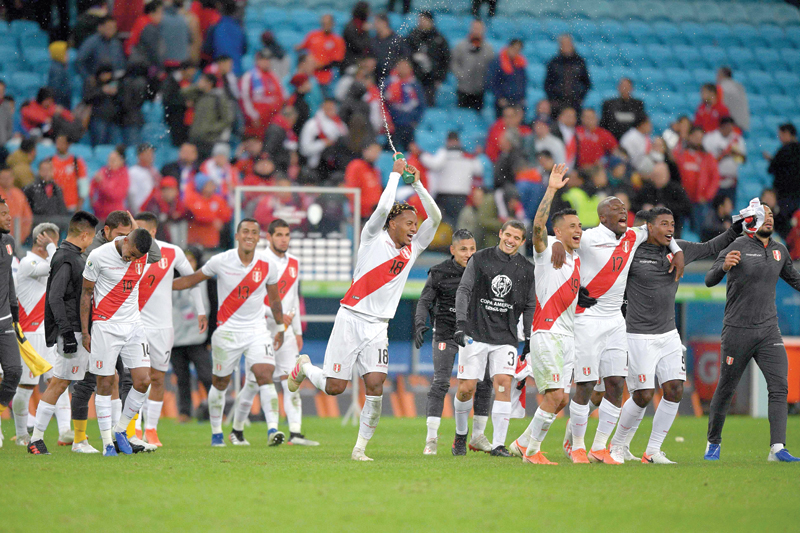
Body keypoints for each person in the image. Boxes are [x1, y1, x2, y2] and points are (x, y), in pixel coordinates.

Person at [287, 156, 441, 461]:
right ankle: (304, 367)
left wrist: (419, 184)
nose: (414, 228)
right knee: (334, 387)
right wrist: (395, 177)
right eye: (409, 223)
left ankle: (360, 448)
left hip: (378, 326)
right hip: (350, 318)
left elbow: (434, 218)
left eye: (415, 224)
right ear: (392, 224)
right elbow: (382, 208)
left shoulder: (412, 249)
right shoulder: (372, 238)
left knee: (375, 384)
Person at [608, 207, 740, 464]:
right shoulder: (631, 251)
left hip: (669, 333)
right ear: (648, 227)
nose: (670, 228)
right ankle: (617, 446)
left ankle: (652, 451)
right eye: (664, 224)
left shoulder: (678, 248)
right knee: (643, 395)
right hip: (638, 335)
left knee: (675, 389)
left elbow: (712, 246)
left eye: (672, 223)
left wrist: (736, 228)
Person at [562, 195, 684, 464]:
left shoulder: (632, 235)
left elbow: (662, 231)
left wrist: (678, 251)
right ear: (602, 217)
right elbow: (559, 248)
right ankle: (577, 446)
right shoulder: (589, 237)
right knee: (584, 385)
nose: (622, 212)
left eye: (624, 209)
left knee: (616, 385)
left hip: (616, 321)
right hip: (587, 319)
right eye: (615, 210)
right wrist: (573, 288)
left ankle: (599, 446)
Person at [172, 218, 286, 446]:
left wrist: (280, 327)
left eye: (254, 232)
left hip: (256, 331)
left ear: (258, 237)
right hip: (227, 332)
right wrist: (156, 284)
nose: (249, 236)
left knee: (265, 374)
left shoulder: (267, 265)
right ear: (237, 236)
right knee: (220, 383)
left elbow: (274, 300)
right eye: (245, 231)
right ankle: (217, 433)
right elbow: (191, 280)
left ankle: (273, 430)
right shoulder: (221, 261)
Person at [704, 203, 800, 462]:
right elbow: (709, 278)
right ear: (752, 220)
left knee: (780, 386)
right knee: (726, 388)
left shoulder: (780, 250)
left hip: (769, 331)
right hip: (737, 331)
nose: (768, 219)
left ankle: (777, 448)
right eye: (763, 215)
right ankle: (713, 442)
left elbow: (794, 279)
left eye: (771, 215)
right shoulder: (736, 246)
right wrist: (724, 267)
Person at [509, 167, 591, 464]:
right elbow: (537, 227)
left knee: (561, 399)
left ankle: (521, 443)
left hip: (567, 337)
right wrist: (552, 189)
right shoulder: (547, 254)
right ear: (558, 232)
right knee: (555, 397)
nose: (578, 230)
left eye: (580, 225)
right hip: (547, 333)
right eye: (571, 226)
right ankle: (532, 453)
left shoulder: (576, 259)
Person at [450, 217, 535, 458]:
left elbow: (530, 305)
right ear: (500, 233)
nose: (511, 240)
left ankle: (498, 444)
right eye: (508, 235)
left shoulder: (527, 269)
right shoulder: (480, 258)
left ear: (521, 242)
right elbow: (464, 290)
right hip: (474, 333)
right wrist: (460, 324)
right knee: (466, 388)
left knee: (503, 384)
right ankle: (461, 434)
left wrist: (528, 337)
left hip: (505, 337)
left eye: (516, 238)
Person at [230, 219, 318, 446]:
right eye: (279, 234)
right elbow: (250, 299)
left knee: (291, 381)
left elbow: (294, 300)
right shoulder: (258, 261)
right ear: (268, 237)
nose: (284, 239)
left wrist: (297, 331)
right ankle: (237, 430)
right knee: (252, 383)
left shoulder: (295, 263)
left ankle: (296, 433)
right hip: (260, 330)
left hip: (286, 331)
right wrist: (275, 315)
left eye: (287, 235)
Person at [25, 212, 99, 455]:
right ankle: (36, 439)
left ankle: (77, 440)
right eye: (92, 236)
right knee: (59, 383)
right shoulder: (66, 258)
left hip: (77, 330)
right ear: (85, 235)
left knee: (65, 382)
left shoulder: (72, 256)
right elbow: (55, 297)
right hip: (72, 331)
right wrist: (67, 333)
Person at [415, 229, 492, 455]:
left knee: (485, 382)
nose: (469, 254)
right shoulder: (439, 272)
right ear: (452, 250)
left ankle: (475, 436)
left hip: (474, 336)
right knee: (440, 383)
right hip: (446, 334)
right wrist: (420, 322)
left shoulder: (483, 272)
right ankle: (431, 440)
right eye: (463, 249)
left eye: (472, 249)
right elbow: (423, 301)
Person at [133, 212, 206, 446]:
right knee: (138, 378)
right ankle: (134, 428)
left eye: (141, 230)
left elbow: (192, 278)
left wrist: (201, 310)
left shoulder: (172, 252)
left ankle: (151, 430)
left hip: (163, 327)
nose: (136, 235)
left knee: (157, 378)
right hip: (136, 325)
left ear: (153, 231)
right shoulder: (127, 252)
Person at [80, 228, 154, 456]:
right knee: (105, 382)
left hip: (134, 325)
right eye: (129, 253)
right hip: (105, 326)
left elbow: (151, 244)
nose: (130, 259)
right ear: (125, 239)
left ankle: (120, 430)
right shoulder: (98, 256)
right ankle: (107, 443)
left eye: (136, 257)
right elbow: (85, 294)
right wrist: (85, 332)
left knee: (143, 381)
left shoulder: (144, 254)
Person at [11, 224, 72, 447]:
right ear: (41, 241)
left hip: (47, 333)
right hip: (29, 334)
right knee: (26, 387)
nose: (55, 247)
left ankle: (65, 430)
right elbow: (58, 265)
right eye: (51, 242)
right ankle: (20, 434)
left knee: (58, 381)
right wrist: (52, 247)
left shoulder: (47, 263)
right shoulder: (28, 263)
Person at [170, 245, 212, 423]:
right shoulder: (169, 281)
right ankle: (184, 413)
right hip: (176, 338)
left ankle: (214, 410)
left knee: (206, 376)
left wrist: (210, 337)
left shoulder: (208, 282)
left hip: (199, 338)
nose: (188, 264)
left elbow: (214, 309)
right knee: (182, 379)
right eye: (184, 260)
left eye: (191, 260)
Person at [420, 131, 483, 225]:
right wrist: (476, 156)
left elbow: (434, 164)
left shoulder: (443, 154)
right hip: (458, 196)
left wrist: (421, 154)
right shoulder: (467, 156)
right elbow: (479, 170)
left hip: (447, 196)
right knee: (456, 224)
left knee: (447, 225)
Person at [0, 197, 21, 449]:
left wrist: (15, 314)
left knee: (14, 371)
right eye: (3, 213)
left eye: (8, 212)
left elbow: (9, 280)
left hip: (5, 319)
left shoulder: (8, 242)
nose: (8, 217)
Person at [674, 126, 721, 230]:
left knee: (698, 231)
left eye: (700, 138)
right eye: (695, 137)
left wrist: (707, 195)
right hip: (682, 199)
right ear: (689, 137)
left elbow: (715, 178)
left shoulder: (707, 157)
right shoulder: (680, 154)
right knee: (678, 230)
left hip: (699, 201)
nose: (698, 140)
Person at [184, 73, 235, 159]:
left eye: (202, 80)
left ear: (209, 83)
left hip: (209, 140)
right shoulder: (199, 94)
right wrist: (197, 87)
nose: (199, 82)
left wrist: (211, 129)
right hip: (195, 138)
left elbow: (228, 119)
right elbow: (184, 93)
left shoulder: (219, 97)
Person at [634, 162, 692, 238]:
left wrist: (666, 208)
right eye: (655, 175)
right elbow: (633, 204)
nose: (657, 178)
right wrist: (643, 207)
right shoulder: (647, 189)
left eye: (660, 175)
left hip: (672, 228)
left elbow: (687, 208)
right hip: (649, 229)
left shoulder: (676, 189)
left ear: (667, 175)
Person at [406, 11, 450, 107]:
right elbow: (405, 55)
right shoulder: (412, 36)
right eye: (420, 20)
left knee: (428, 104)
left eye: (424, 19)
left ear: (430, 21)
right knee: (412, 104)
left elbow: (446, 59)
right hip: (414, 77)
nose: (421, 22)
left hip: (431, 79)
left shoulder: (439, 38)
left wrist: (440, 77)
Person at [765, 124, 800, 238]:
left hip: (784, 195)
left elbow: (772, 169)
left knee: (783, 224)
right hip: (797, 195)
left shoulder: (784, 150)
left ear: (787, 134)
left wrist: (771, 160)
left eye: (780, 134)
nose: (779, 137)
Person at [296, 14, 345, 96]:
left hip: (325, 78)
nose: (325, 26)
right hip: (309, 77)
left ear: (333, 24)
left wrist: (320, 65)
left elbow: (337, 61)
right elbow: (301, 48)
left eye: (328, 23)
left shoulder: (337, 40)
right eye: (323, 23)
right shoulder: (313, 35)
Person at [240, 50, 285, 139]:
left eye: (268, 60)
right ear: (257, 60)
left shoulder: (274, 76)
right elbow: (244, 98)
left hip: (271, 120)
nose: (267, 62)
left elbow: (280, 96)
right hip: (256, 123)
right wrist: (253, 116)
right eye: (264, 59)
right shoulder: (249, 76)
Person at [451, 19, 494, 112]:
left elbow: (492, 67)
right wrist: (460, 74)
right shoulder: (460, 46)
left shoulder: (488, 48)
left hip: (480, 90)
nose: (476, 30)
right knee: (462, 115)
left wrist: (486, 80)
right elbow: (453, 62)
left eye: (479, 28)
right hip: (463, 88)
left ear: (484, 30)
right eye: (475, 28)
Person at [544, 35, 591, 117]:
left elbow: (586, 83)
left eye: (568, 44)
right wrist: (553, 100)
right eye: (563, 44)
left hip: (575, 103)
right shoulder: (554, 63)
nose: (566, 47)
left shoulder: (580, 62)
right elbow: (548, 84)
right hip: (557, 104)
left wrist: (580, 98)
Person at [385, 59, 426, 152]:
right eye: (401, 67)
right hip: (393, 123)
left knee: (409, 150)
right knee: (391, 150)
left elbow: (421, 104)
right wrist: (386, 119)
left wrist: (416, 120)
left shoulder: (415, 84)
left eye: (405, 67)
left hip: (409, 124)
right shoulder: (389, 82)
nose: (403, 69)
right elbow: (383, 102)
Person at [184, 173, 233, 249]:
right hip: (195, 240)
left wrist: (216, 218)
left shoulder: (218, 200)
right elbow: (198, 215)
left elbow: (227, 215)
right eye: (209, 184)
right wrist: (214, 219)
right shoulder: (192, 198)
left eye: (212, 184)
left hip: (212, 241)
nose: (212, 187)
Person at [299, 98, 349, 170]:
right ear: (322, 108)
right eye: (327, 108)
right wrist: (323, 143)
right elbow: (304, 149)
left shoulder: (341, 125)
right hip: (317, 165)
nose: (330, 111)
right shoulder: (312, 125)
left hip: (337, 164)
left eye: (332, 108)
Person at [202, 0, 245, 75]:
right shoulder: (240, 29)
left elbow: (206, 50)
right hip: (237, 71)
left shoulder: (215, 28)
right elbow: (244, 49)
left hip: (220, 72)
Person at [486, 39, 527, 118]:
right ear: (509, 47)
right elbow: (492, 82)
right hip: (503, 101)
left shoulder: (520, 64)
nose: (515, 52)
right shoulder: (498, 62)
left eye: (518, 50)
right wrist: (499, 97)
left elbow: (523, 82)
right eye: (514, 48)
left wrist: (522, 97)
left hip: (517, 101)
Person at [344, 142, 383, 218]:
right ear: (365, 150)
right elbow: (350, 191)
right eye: (373, 151)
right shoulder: (356, 165)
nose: (376, 155)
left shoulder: (375, 169)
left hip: (374, 213)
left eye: (378, 152)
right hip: (360, 213)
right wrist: (368, 205)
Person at [90, 147, 129, 220]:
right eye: (109, 160)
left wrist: (102, 182)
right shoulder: (104, 170)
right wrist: (92, 202)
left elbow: (116, 195)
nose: (109, 163)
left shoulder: (124, 175)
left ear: (121, 161)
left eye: (113, 160)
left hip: (115, 216)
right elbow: (92, 184)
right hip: (99, 214)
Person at [52, 135, 89, 213]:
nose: (59, 145)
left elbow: (83, 185)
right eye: (57, 143)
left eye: (62, 143)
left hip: (72, 207)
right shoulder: (50, 161)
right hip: (54, 207)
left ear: (68, 145)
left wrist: (78, 207)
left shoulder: (76, 162)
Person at [371, 15, 409, 87]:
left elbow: (405, 57)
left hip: (394, 75)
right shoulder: (373, 41)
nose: (375, 25)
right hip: (377, 75)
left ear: (385, 23)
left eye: (377, 22)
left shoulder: (397, 40)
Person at [0, 166, 33, 243]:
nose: (6, 180)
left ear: (13, 178)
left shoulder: (19, 193)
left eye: (9, 177)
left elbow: (27, 217)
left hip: (17, 239)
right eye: (3, 178)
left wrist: (21, 236)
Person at [128, 144, 161, 214]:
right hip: (140, 210)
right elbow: (131, 193)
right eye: (148, 153)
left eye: (152, 153)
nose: (151, 156)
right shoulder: (133, 171)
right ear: (140, 155)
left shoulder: (154, 171)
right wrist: (137, 211)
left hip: (154, 209)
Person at [717, 67, 749, 133]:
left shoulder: (721, 88)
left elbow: (720, 106)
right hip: (741, 124)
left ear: (721, 75)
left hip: (729, 125)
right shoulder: (740, 87)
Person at [342, 2, 371, 71]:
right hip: (350, 62)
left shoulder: (361, 25)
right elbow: (358, 46)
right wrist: (365, 33)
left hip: (360, 61)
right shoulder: (351, 27)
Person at [47, 41, 72, 109]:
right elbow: (55, 90)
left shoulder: (60, 67)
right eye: (65, 53)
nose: (68, 56)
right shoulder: (57, 70)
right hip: (61, 105)